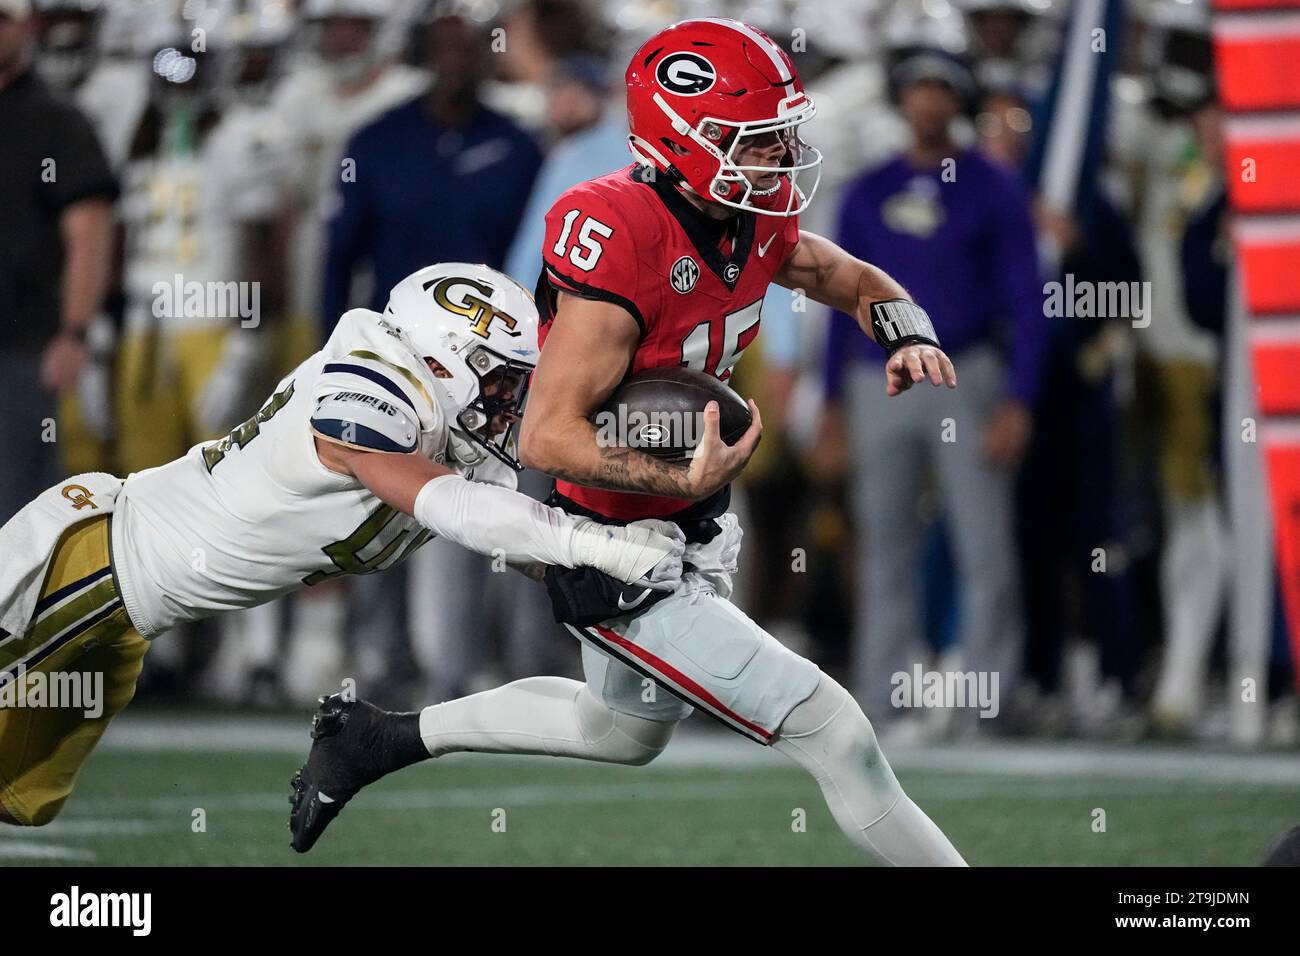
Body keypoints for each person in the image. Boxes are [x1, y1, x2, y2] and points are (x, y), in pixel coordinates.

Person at [288, 18, 966, 867]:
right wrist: (671, 471)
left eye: (782, 135)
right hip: (613, 545)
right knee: (836, 731)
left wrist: (904, 329)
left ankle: (375, 739)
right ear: (689, 140)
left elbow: (843, 276)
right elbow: (546, 435)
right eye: (758, 142)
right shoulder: (619, 231)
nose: (782, 156)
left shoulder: (747, 216)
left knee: (617, 729)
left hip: (686, 520)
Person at [0, 262, 684, 827]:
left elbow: (511, 537)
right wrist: (593, 545)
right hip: (88, 565)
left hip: (132, 616)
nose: (512, 405)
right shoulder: (371, 384)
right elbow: (452, 505)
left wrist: (618, 562)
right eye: (501, 380)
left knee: (16, 799)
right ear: (442, 363)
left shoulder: (444, 435)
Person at [0, 0, 115, 525]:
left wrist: (74, 331)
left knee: (18, 522)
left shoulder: (56, 120)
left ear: (26, 26)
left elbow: (89, 232)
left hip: (24, 351)